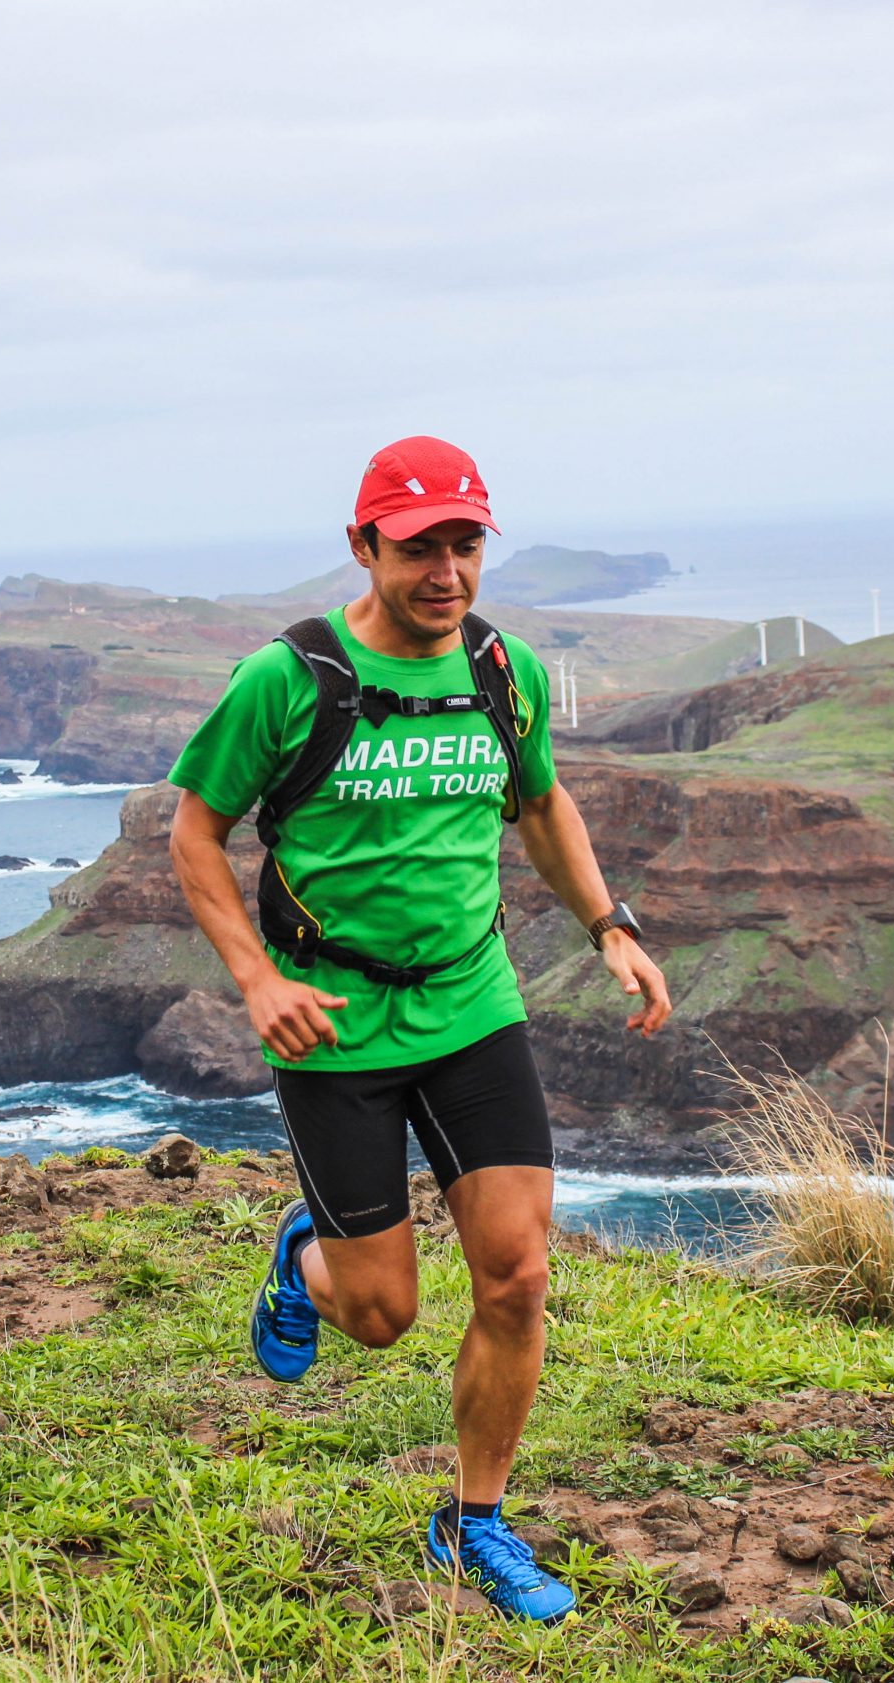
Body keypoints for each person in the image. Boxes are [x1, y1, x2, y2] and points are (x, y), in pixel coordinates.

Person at [166, 435, 672, 1625]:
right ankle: (306, 1259)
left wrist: (609, 925)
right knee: (383, 1315)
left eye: (465, 543)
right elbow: (196, 836)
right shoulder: (283, 681)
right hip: (332, 1026)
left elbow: (539, 799)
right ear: (364, 546)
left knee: (517, 1275)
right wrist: (254, 982)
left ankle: (474, 1522)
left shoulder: (504, 669)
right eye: (419, 547)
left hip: (471, 1005)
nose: (446, 570)